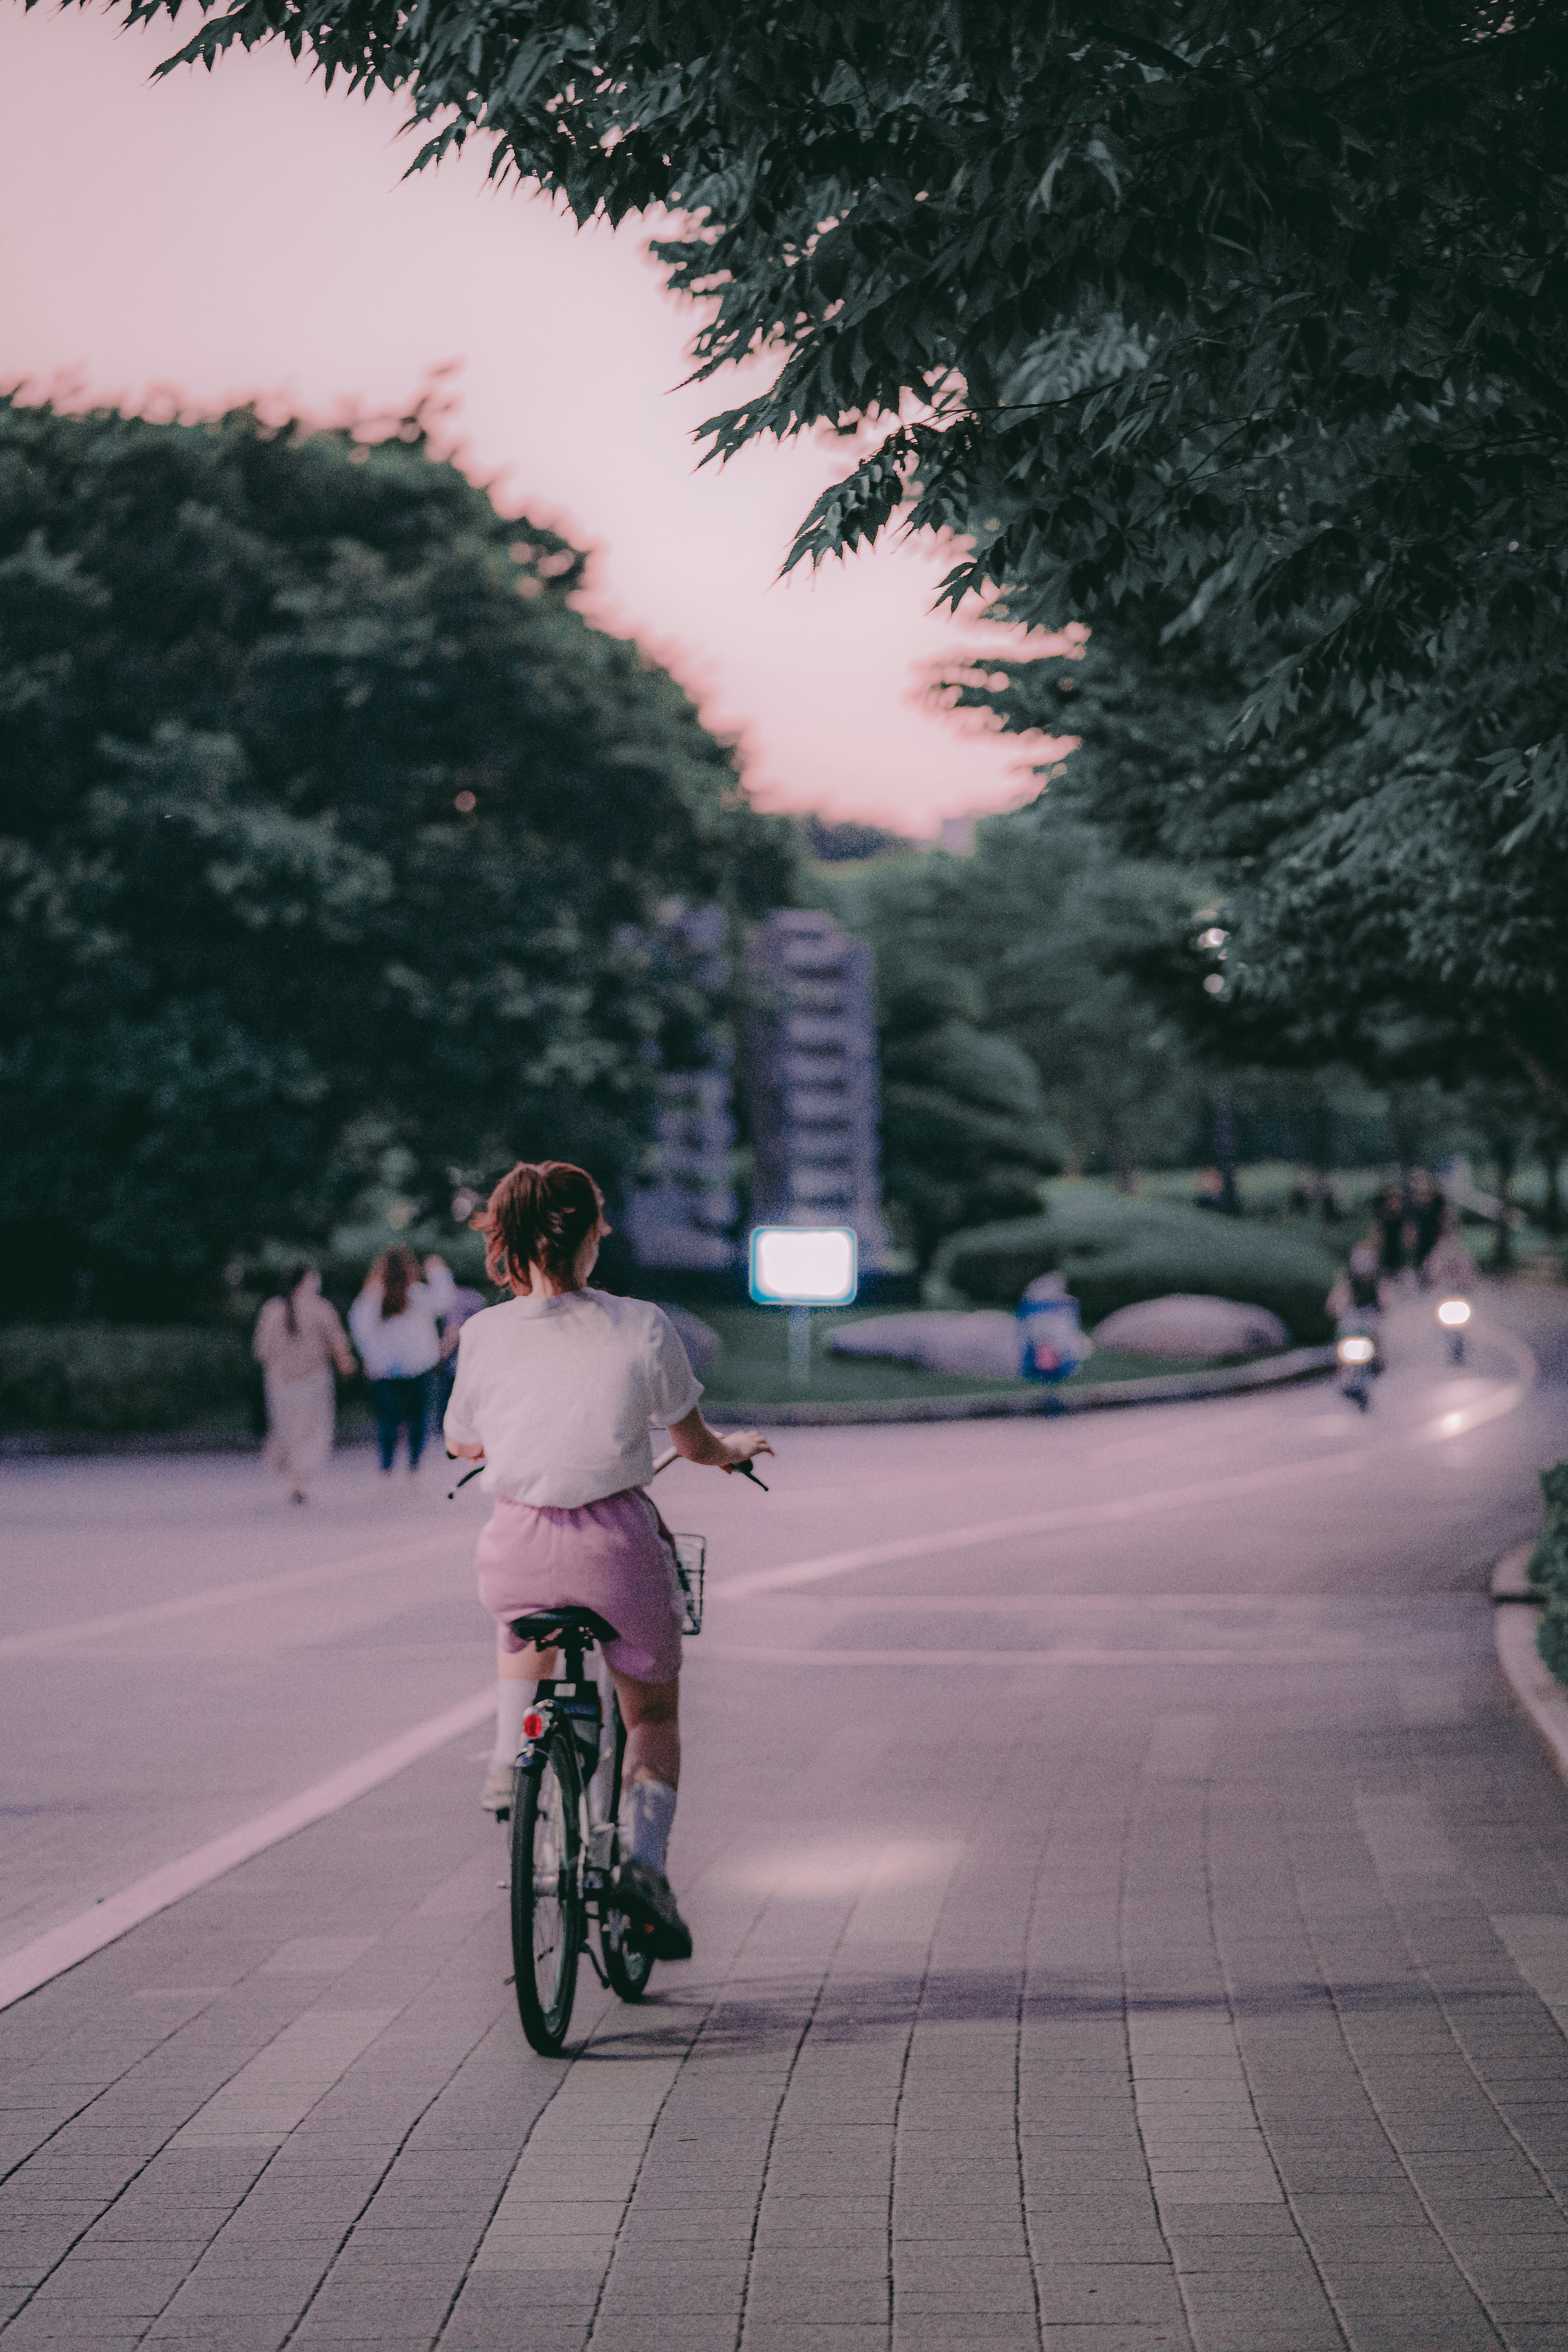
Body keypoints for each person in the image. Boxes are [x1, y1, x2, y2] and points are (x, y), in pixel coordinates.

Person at [444, 1158, 772, 1960]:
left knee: (520, 1630)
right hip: (615, 1550)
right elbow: (692, 1445)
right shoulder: (640, 1325)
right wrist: (734, 1450)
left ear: (509, 1240)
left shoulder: (484, 1333)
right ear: (591, 1233)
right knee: (650, 1714)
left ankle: (502, 1759)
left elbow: (462, 1441)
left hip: (516, 1547)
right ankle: (643, 1865)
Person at [252, 1265, 356, 1503]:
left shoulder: (271, 1310)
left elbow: (261, 1350)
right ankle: (301, 1478)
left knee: (286, 1430)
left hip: (279, 1383)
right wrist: (345, 1363)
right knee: (312, 1431)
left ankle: (294, 1480)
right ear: (306, 1282)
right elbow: (338, 1344)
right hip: (315, 1380)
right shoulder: (321, 1308)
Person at [349, 1246, 457, 1475]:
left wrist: (369, 1358)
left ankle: (387, 1466)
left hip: (384, 1369)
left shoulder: (371, 1297)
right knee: (418, 1417)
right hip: (419, 1366)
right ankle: (414, 1465)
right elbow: (444, 1302)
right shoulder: (418, 1294)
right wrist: (438, 1272)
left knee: (388, 1419)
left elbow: (360, 1329)